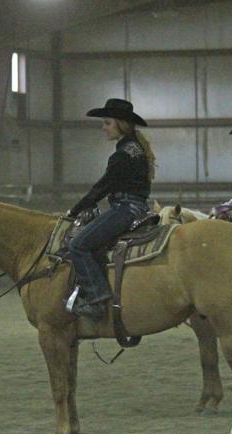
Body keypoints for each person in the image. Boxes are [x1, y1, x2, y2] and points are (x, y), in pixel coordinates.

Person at [66, 98, 155, 321]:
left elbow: (102, 187)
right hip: (137, 206)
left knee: (78, 245)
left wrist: (74, 211)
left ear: (120, 124)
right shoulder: (136, 148)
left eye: (107, 123)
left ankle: (96, 299)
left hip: (125, 209)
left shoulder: (123, 154)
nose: (103, 128)